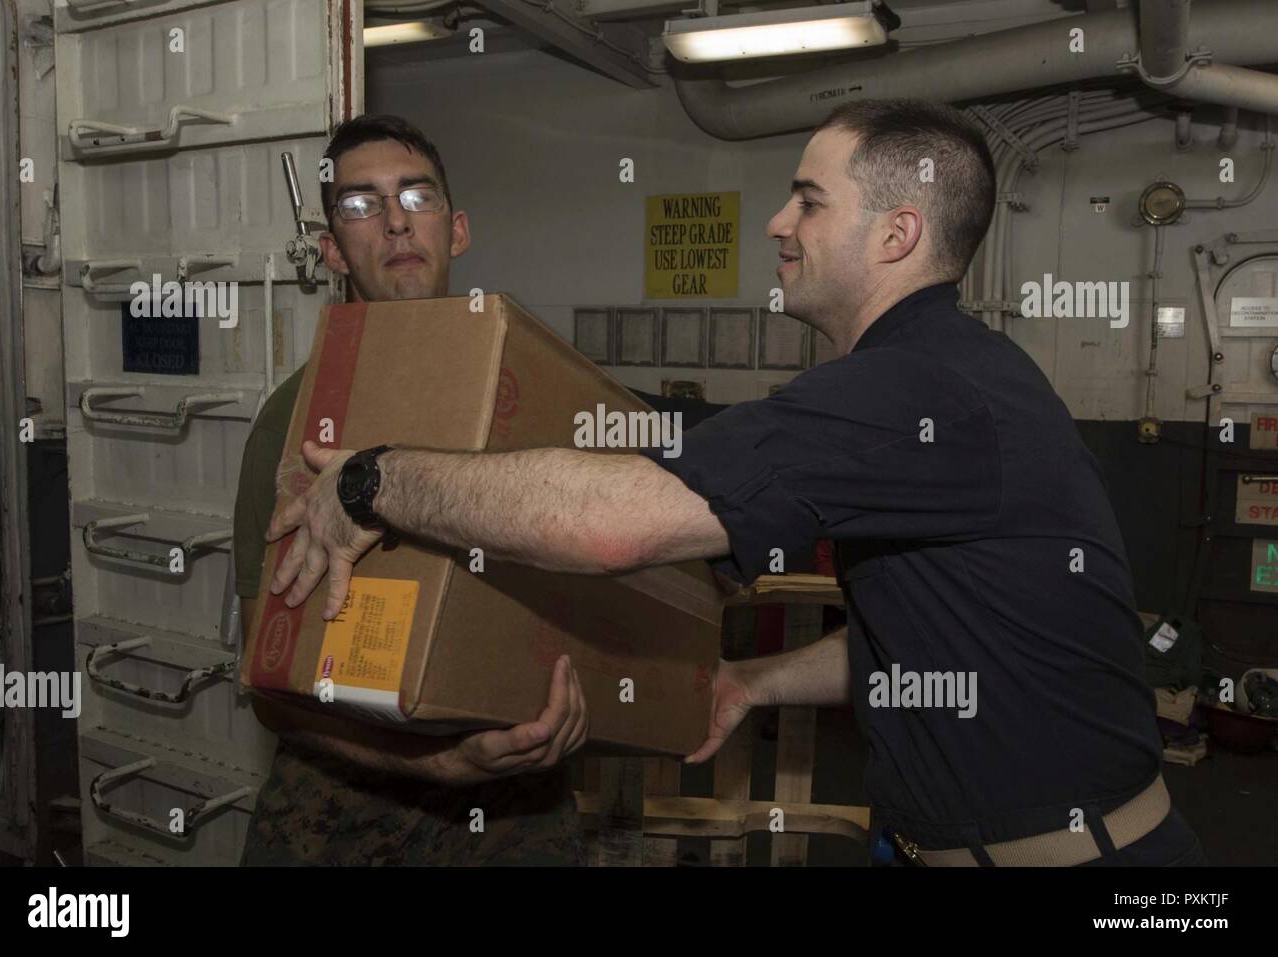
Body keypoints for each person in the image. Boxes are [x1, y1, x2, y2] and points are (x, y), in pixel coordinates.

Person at [267, 98, 1203, 867]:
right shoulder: (959, 371)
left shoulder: (904, 389)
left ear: (896, 233)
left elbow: (609, 527)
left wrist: (369, 479)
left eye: (808, 201)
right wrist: (751, 681)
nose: (777, 223)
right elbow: (928, 641)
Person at [234, 114, 589, 866]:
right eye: (360, 206)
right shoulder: (295, 421)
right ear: (332, 249)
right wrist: (434, 765)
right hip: (344, 812)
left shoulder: (532, 392)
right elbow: (268, 684)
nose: (395, 221)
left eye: (415, 197)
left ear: (455, 229)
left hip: (519, 805)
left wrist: (578, 700)